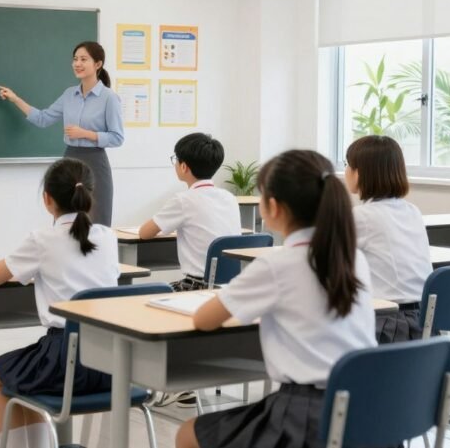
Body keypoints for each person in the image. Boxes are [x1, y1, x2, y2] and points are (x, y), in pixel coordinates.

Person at [176, 150, 376, 448]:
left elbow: (203, 320)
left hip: (307, 415)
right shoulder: (353, 258)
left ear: (273, 206)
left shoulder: (277, 265)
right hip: (366, 408)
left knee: (187, 434)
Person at [0, 158, 120, 448]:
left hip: (63, 360)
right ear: (90, 196)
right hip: (113, 362)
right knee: (20, 376)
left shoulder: (42, 239)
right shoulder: (108, 237)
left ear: (47, 199)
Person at [0, 41, 124, 226]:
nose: (77, 64)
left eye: (83, 59)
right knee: (64, 220)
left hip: (95, 163)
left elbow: (117, 137)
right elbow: (43, 118)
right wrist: (15, 99)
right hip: (70, 160)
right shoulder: (69, 94)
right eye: (75, 59)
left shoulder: (109, 98)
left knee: (97, 222)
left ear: (98, 64)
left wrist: (86, 134)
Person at [345, 135, 431, 343]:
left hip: (387, 326)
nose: (345, 172)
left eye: (348, 165)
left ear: (360, 173)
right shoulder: (412, 211)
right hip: (425, 323)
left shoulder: (362, 216)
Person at [139, 133, 241, 291]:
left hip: (198, 287)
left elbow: (144, 233)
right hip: (231, 287)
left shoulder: (183, 200)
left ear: (184, 166)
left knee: (147, 296)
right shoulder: (229, 197)